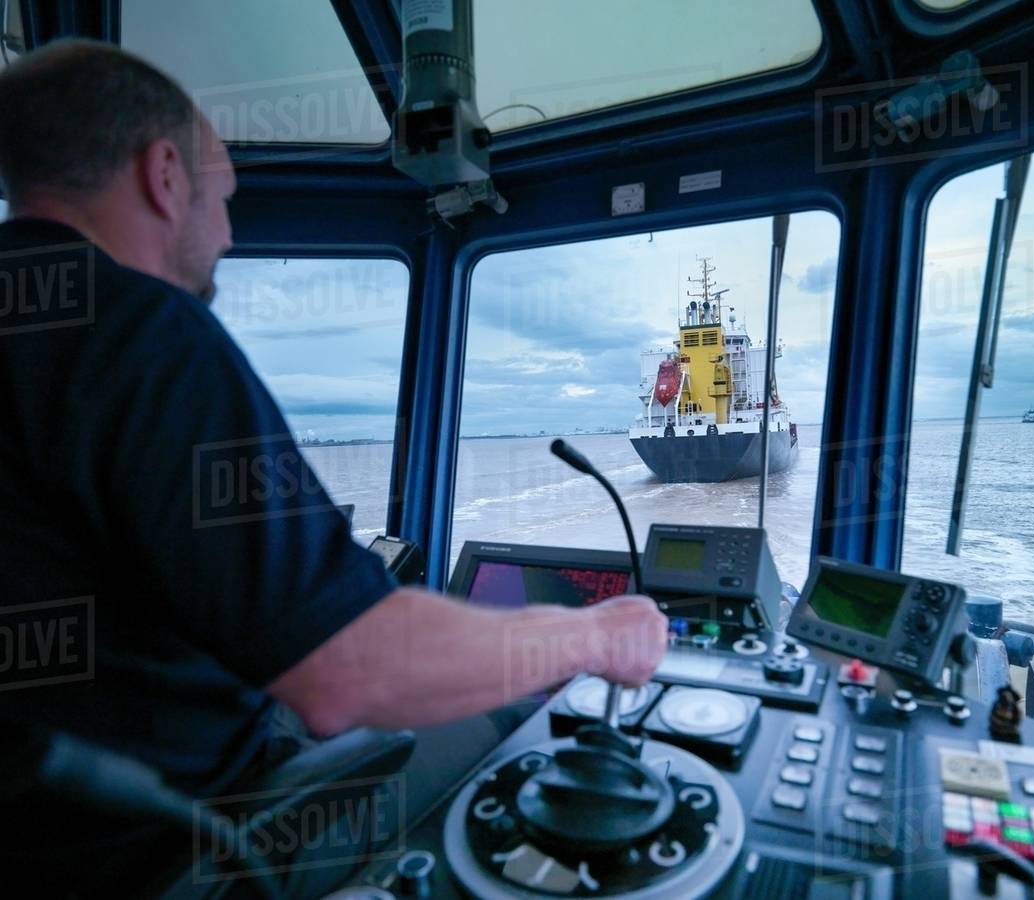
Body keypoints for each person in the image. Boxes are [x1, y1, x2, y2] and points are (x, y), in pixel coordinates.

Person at [0, 39, 666, 896]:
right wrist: (595, 636)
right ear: (165, 177)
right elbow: (349, 675)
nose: (230, 235)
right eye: (225, 197)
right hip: (178, 848)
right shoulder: (141, 334)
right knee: (520, 715)